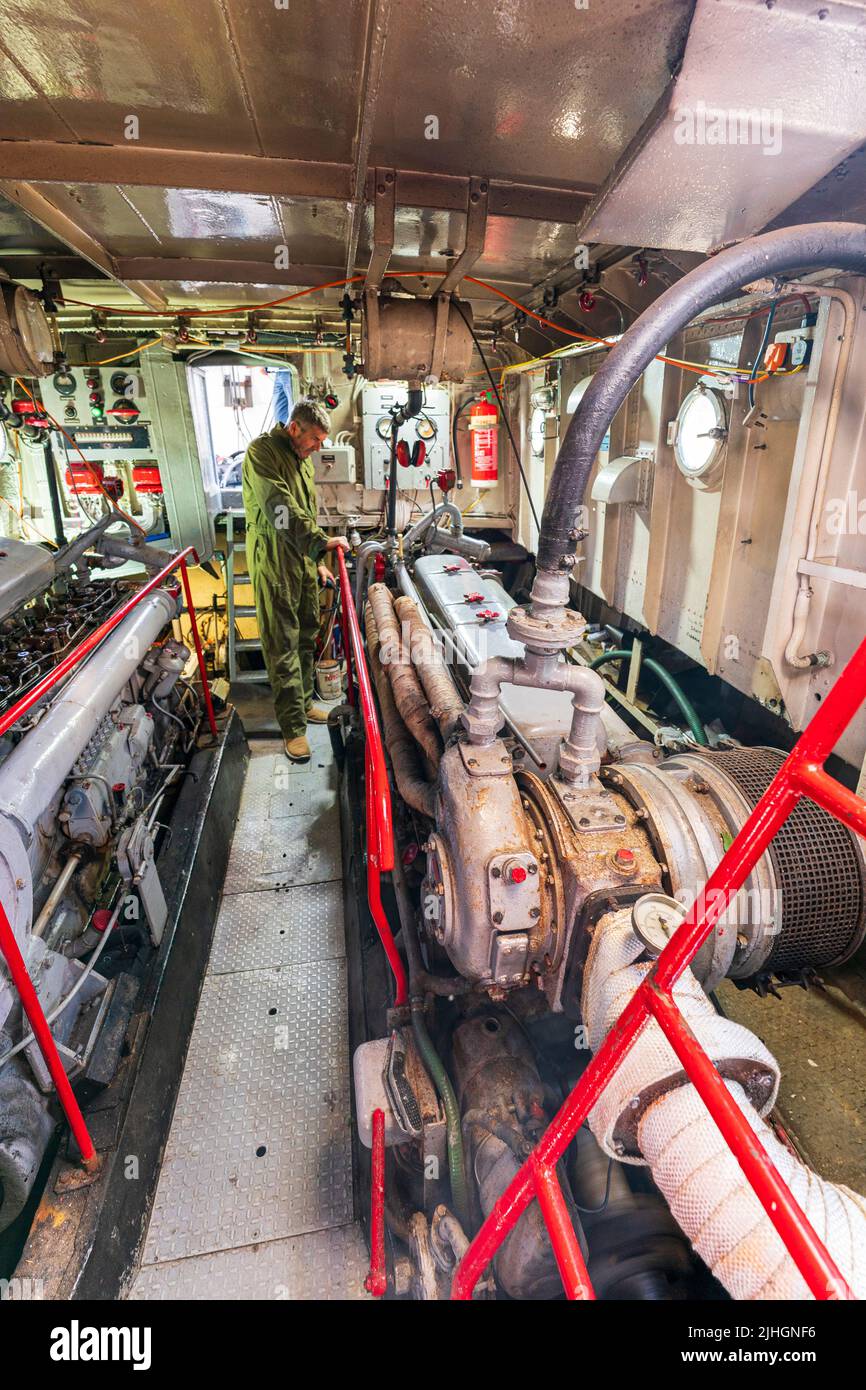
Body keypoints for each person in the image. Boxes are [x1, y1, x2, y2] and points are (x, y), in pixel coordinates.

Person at [241, 399, 349, 763]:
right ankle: (292, 730)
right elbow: (280, 508)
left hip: (300, 558)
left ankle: (303, 705)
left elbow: (305, 512)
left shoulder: (301, 461)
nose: (319, 447)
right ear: (294, 429)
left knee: (305, 634)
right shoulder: (263, 453)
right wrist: (319, 543)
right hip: (273, 557)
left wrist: (316, 560)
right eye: (315, 439)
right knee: (282, 643)